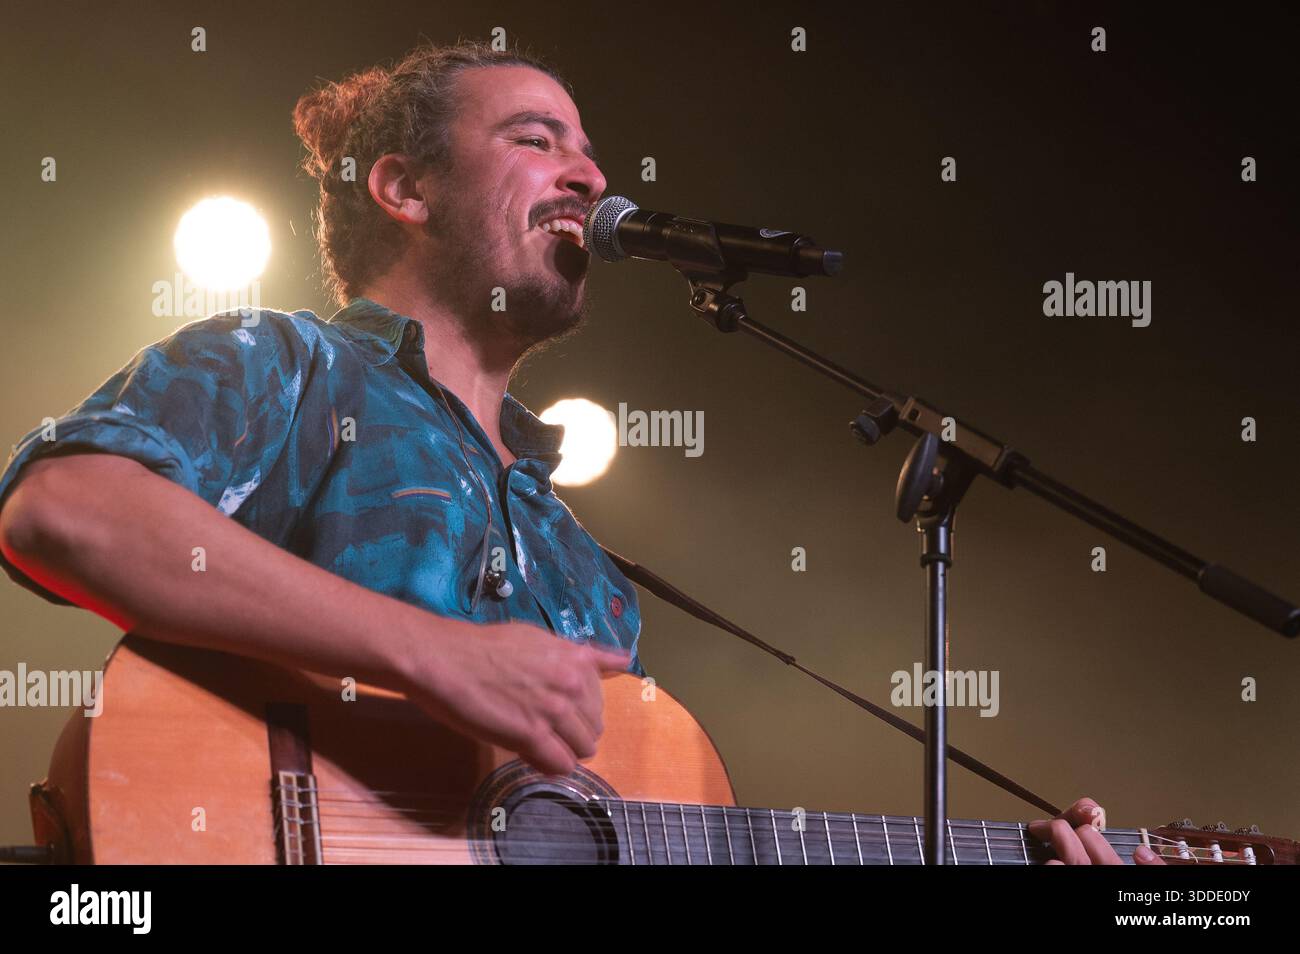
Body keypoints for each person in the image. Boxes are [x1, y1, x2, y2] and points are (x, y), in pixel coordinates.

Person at [0, 39, 1160, 866]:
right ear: (402, 187)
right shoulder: (285, 363)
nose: (592, 176)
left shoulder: (580, 565)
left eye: (590, 151)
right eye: (535, 137)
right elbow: (65, 511)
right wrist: (433, 654)